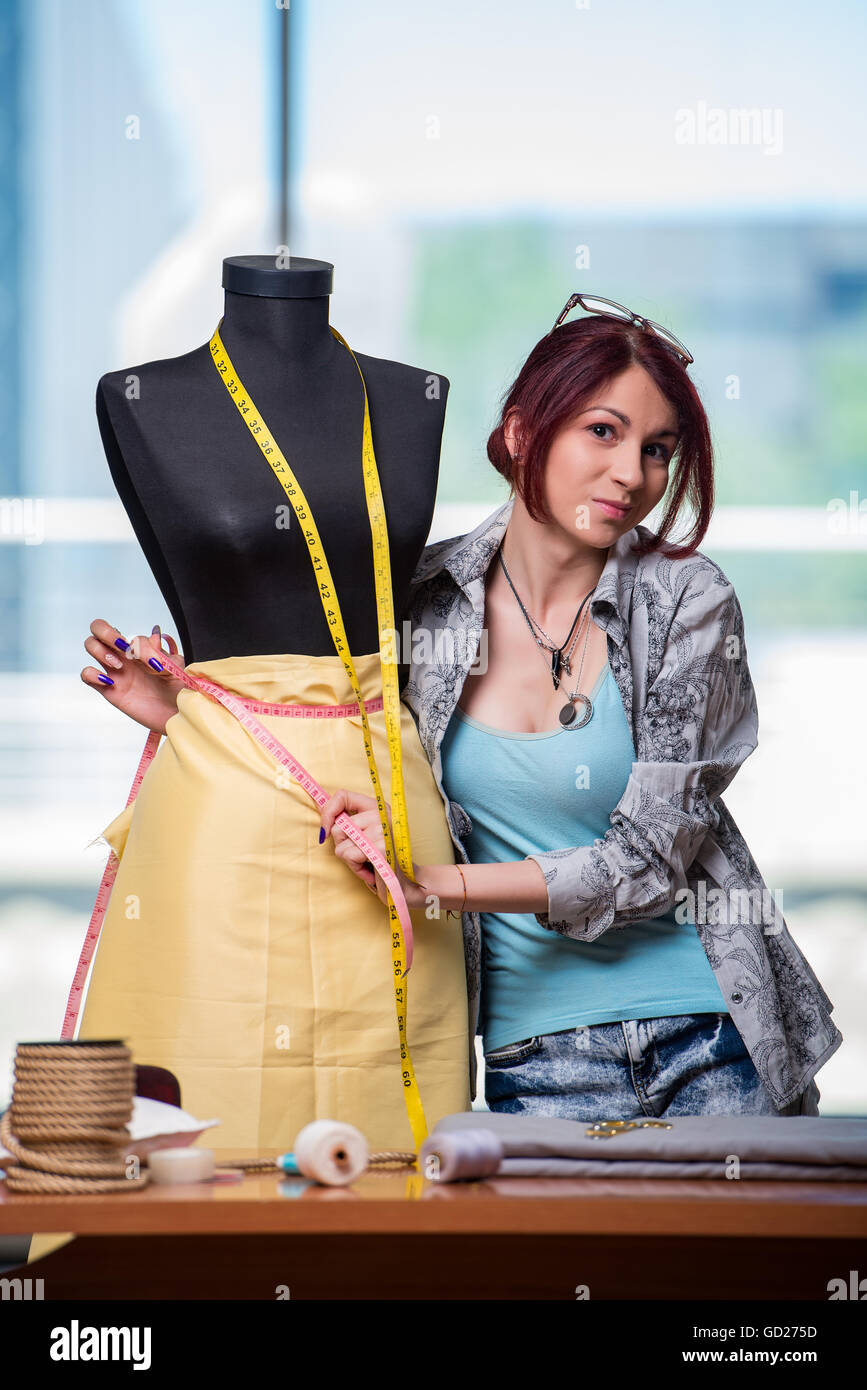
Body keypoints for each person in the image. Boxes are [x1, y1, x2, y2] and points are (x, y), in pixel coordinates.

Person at [82, 294, 840, 1122]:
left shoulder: (686, 602)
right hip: (533, 1054)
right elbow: (340, 756)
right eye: (603, 431)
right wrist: (186, 718)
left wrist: (433, 886)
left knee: (734, 1257)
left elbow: (651, 860)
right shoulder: (413, 610)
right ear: (522, 433)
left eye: (657, 449)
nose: (632, 473)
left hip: (712, 1036)